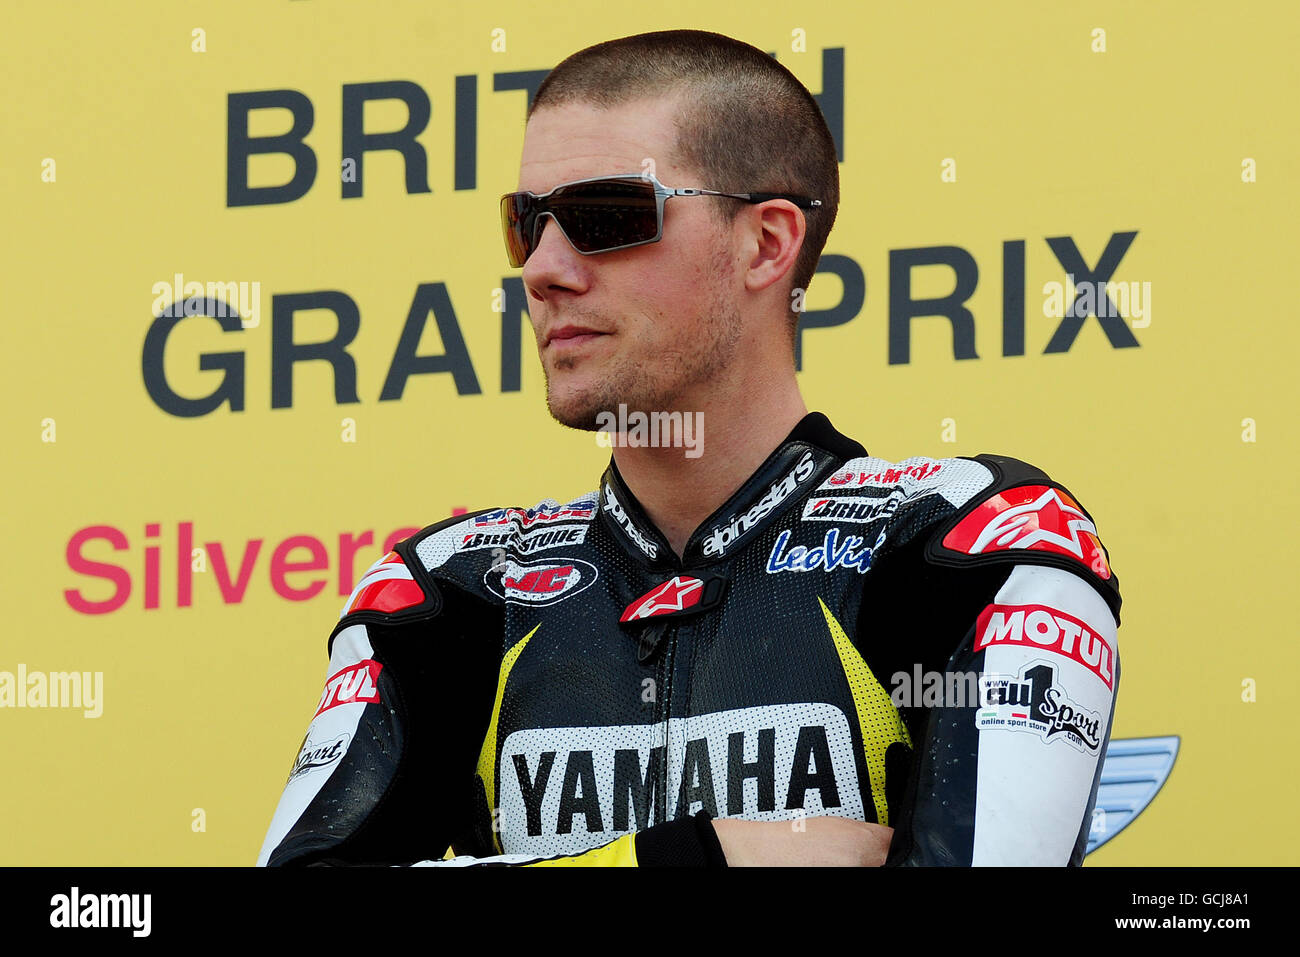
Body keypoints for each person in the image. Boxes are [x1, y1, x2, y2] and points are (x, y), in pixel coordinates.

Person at [256, 29, 1121, 867]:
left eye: (604, 216)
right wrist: (683, 857)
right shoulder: (450, 589)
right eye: (529, 223)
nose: (541, 269)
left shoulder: (974, 542)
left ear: (766, 243)